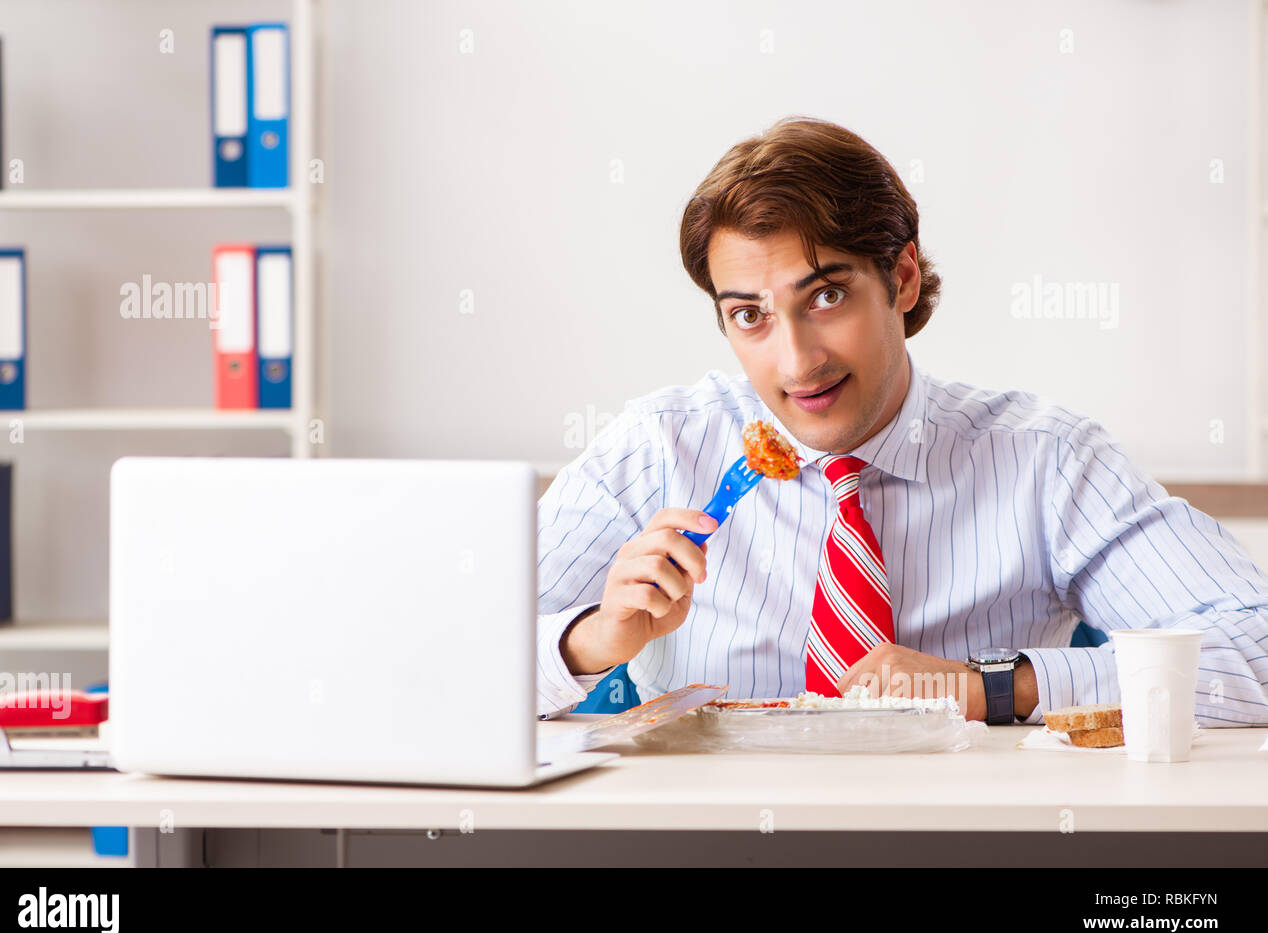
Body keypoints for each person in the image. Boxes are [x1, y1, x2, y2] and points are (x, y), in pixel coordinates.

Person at [536, 115, 1268, 726]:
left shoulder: (1047, 461)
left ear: (903, 277)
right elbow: (447, 660)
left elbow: (1256, 647)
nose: (796, 361)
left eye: (825, 296)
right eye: (750, 315)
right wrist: (591, 641)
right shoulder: (657, 447)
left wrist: (989, 687)